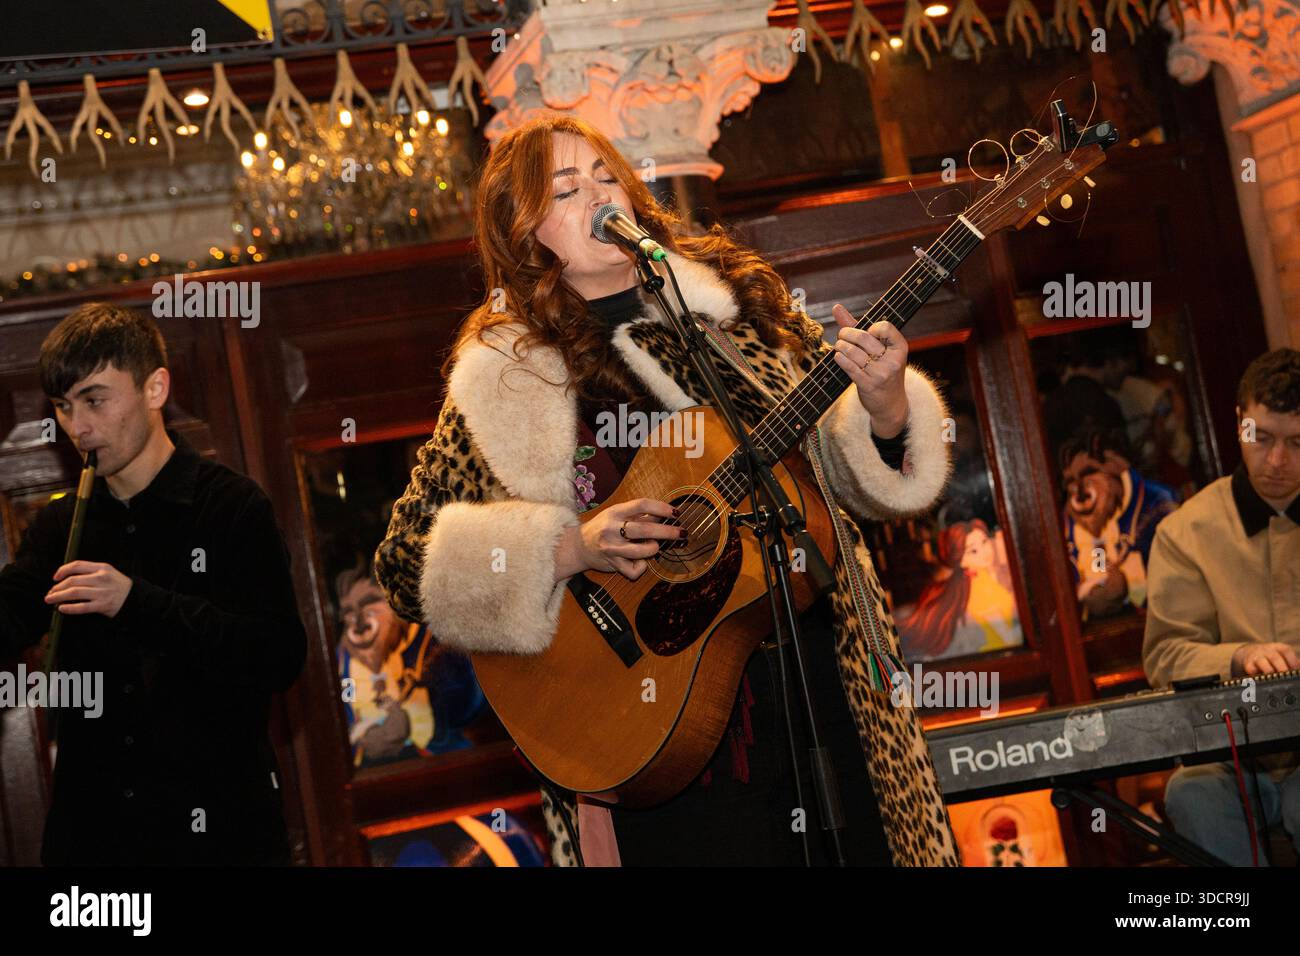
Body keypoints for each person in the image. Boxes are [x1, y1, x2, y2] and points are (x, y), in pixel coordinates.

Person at [374, 114, 960, 867]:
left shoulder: (735, 315)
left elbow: (838, 485)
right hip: (653, 735)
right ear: (524, 232)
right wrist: (567, 547)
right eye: (565, 188)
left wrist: (885, 410)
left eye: (606, 176)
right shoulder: (505, 377)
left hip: (820, 686)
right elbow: (407, 563)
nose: (596, 193)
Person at [0, 303, 307, 865]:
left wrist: (135, 601)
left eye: (95, 399)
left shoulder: (230, 505)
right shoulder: (60, 525)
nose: (78, 427)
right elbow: (11, 611)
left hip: (219, 839)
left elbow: (277, 655)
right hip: (99, 846)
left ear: (156, 387)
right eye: (64, 408)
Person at [1143, 348, 1300, 866]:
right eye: (1262, 438)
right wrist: (1237, 657)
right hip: (1227, 759)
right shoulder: (1184, 532)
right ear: (1238, 422)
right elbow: (1165, 657)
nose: (1277, 461)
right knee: (1191, 793)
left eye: (1299, 443)